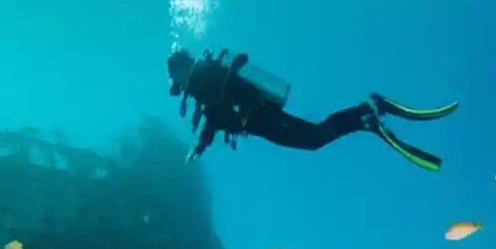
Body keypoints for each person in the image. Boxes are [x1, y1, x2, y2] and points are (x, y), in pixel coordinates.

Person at [166, 47, 457, 170]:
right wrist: (199, 148)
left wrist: (243, 115)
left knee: (315, 139)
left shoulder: (206, 77)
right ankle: (365, 116)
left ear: (181, 69)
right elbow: (213, 121)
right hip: (261, 123)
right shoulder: (201, 88)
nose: (176, 83)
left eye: (174, 76)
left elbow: (245, 92)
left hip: (264, 119)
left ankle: (366, 113)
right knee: (314, 139)